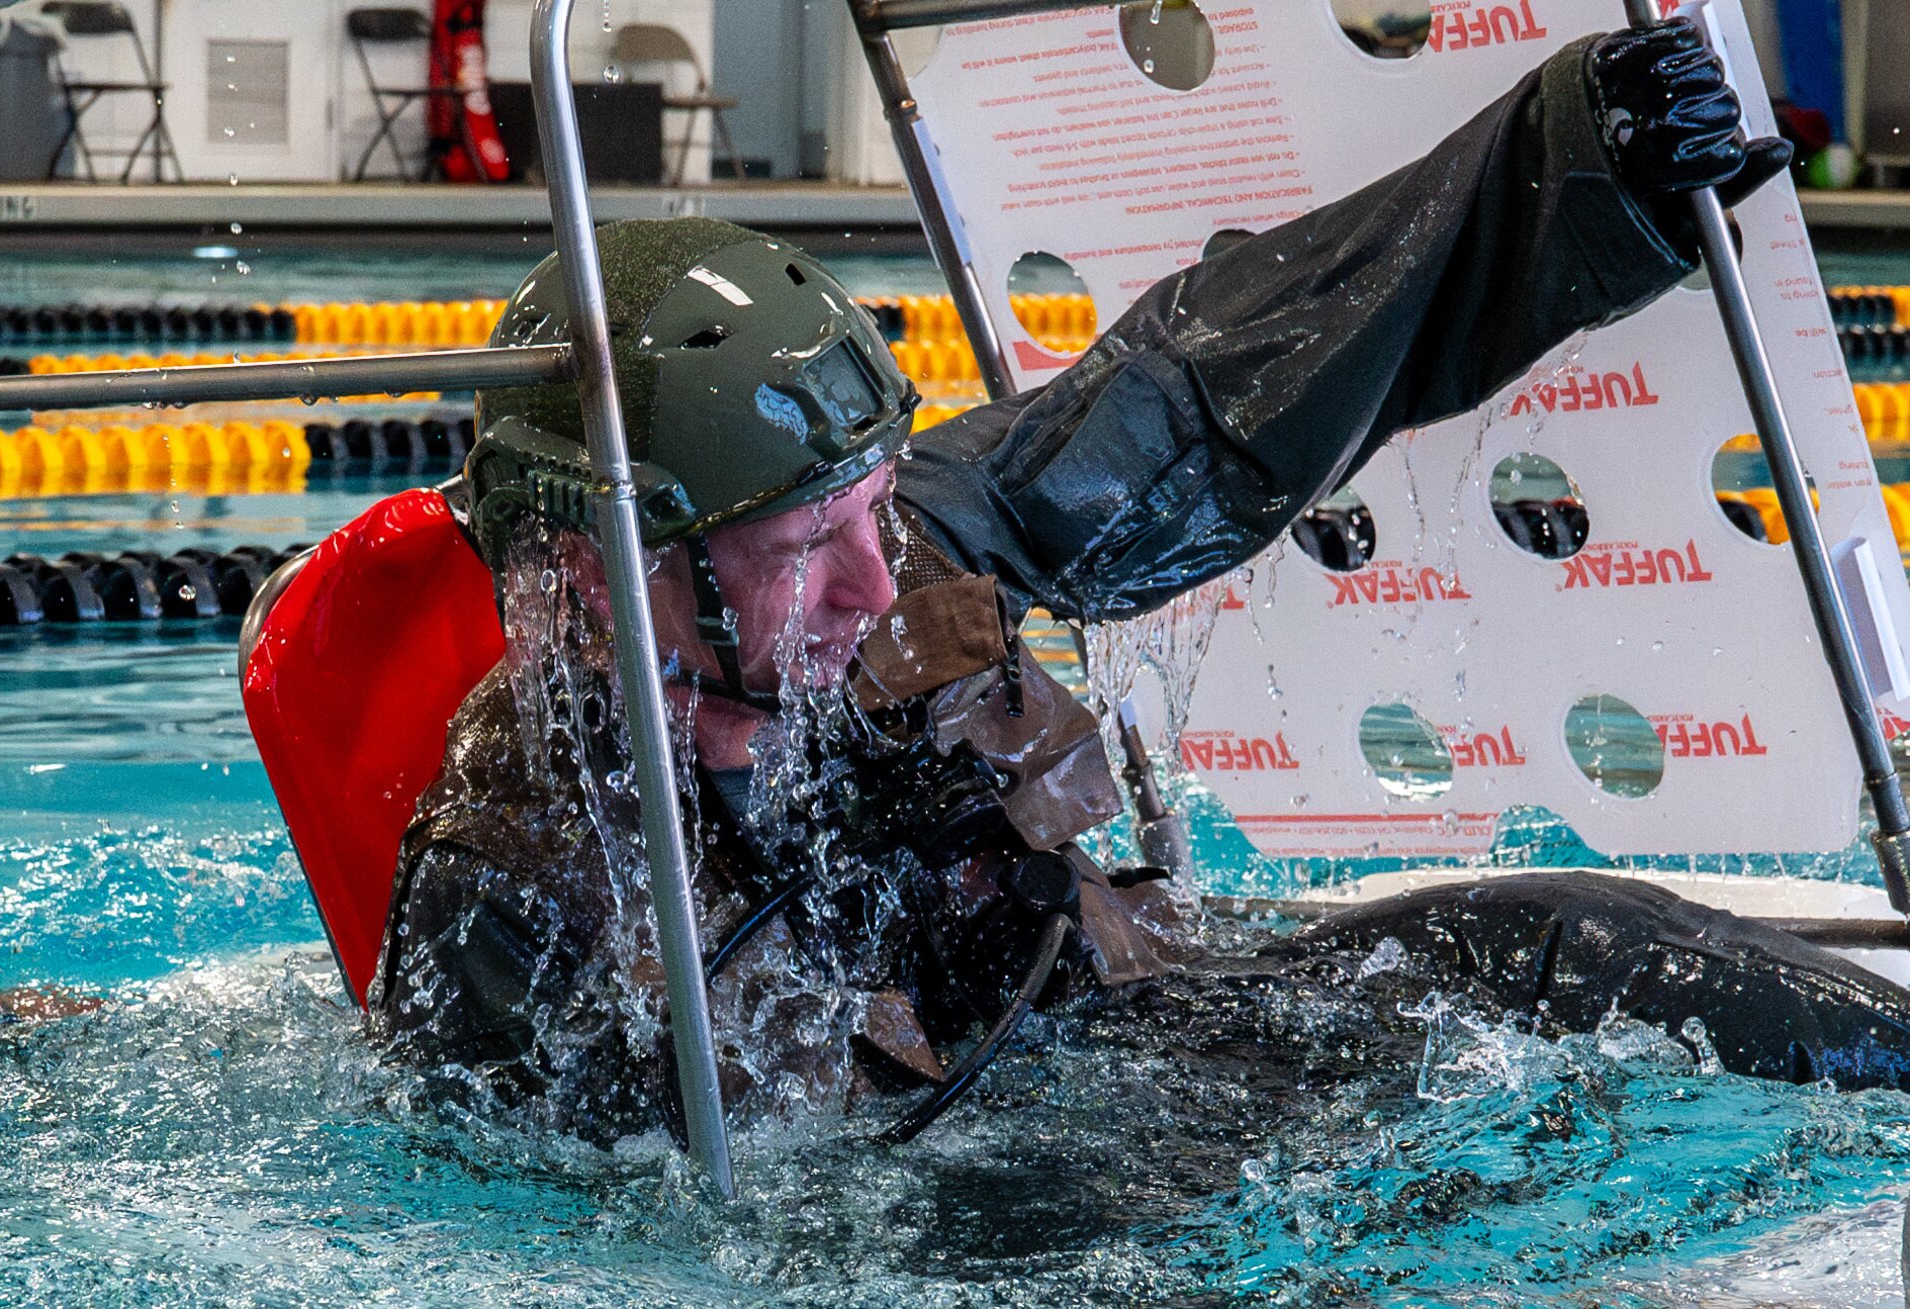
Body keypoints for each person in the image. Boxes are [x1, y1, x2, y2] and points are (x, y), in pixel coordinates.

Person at [375, 22, 1910, 1144]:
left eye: (872, 513)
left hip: (1134, 1045)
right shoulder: (512, 901)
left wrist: (1567, 172)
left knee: (1563, 941)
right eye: (799, 552)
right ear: (600, 586)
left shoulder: (901, 546)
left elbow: (1213, 388)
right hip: (982, 1219)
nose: (875, 574)